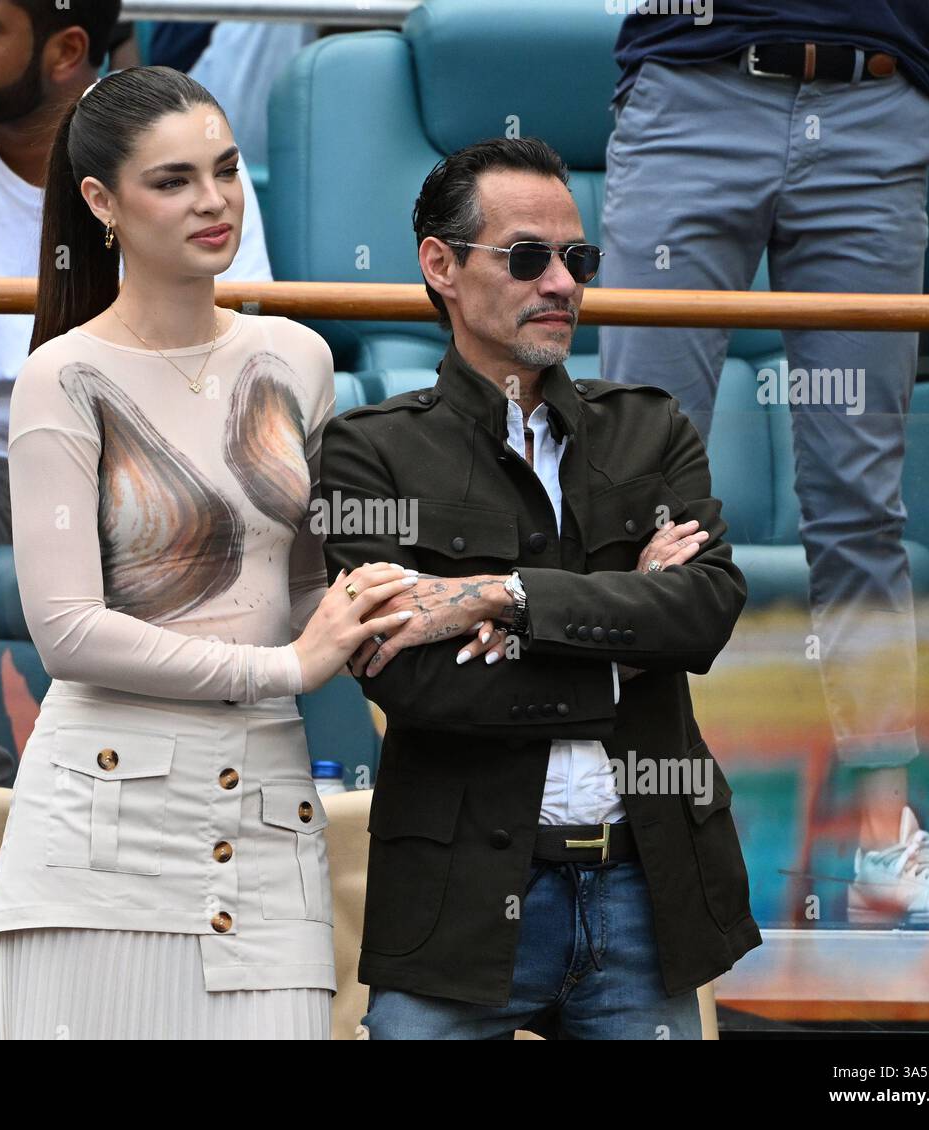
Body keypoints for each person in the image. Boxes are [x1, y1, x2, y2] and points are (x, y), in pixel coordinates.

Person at [0, 65, 420, 1040]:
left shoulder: (300, 357)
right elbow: (66, 631)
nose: (213, 201)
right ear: (101, 201)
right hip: (97, 824)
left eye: (224, 170)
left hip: (265, 810)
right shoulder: (63, 375)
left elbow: (303, 588)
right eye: (172, 180)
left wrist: (418, 608)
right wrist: (289, 665)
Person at [319, 137, 759, 1040]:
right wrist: (618, 637)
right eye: (528, 257)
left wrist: (502, 599)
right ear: (440, 265)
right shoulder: (369, 451)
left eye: (578, 258)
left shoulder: (649, 429)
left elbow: (705, 614)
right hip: (457, 903)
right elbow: (409, 677)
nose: (561, 282)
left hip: (647, 889)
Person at [599, 1, 929, 925]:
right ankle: (615, 817)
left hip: (874, 102)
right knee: (633, 481)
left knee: (862, 501)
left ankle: (882, 845)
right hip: (695, 89)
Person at [0, 0, 272, 786]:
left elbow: (231, 358)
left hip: (117, 466)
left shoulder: (181, 161)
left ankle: (180, 781)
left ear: (66, 49)